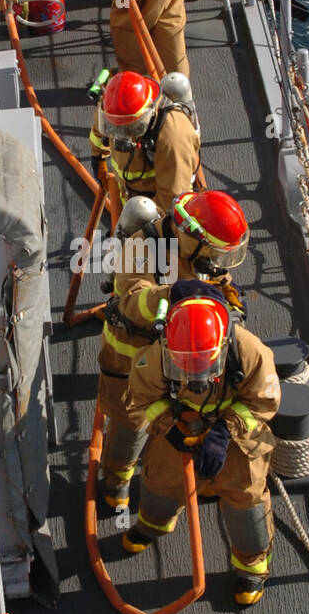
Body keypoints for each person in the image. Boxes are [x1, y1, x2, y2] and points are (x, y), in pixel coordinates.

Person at [123, 290, 281, 607]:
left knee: (246, 498)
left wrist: (223, 432)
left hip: (235, 441)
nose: (194, 375)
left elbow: (264, 401)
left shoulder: (250, 351)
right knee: (160, 482)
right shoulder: (152, 357)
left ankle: (251, 567)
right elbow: (138, 402)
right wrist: (169, 429)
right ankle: (153, 525)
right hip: (179, 427)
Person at [97, 191, 250, 511]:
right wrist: (174, 294)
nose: (217, 259)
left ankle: (191, 477)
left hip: (181, 356)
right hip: (131, 356)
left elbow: (218, 277)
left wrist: (230, 300)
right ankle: (116, 482)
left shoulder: (199, 251)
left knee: (189, 417)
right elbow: (132, 302)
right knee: (131, 423)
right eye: (215, 251)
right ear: (193, 237)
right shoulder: (141, 247)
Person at [88, 71, 200, 213]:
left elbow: (170, 199)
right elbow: (99, 131)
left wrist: (137, 226)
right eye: (115, 126)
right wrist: (98, 159)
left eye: (127, 128)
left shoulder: (173, 137)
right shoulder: (111, 106)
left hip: (156, 207)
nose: (119, 136)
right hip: (128, 196)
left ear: (147, 113)